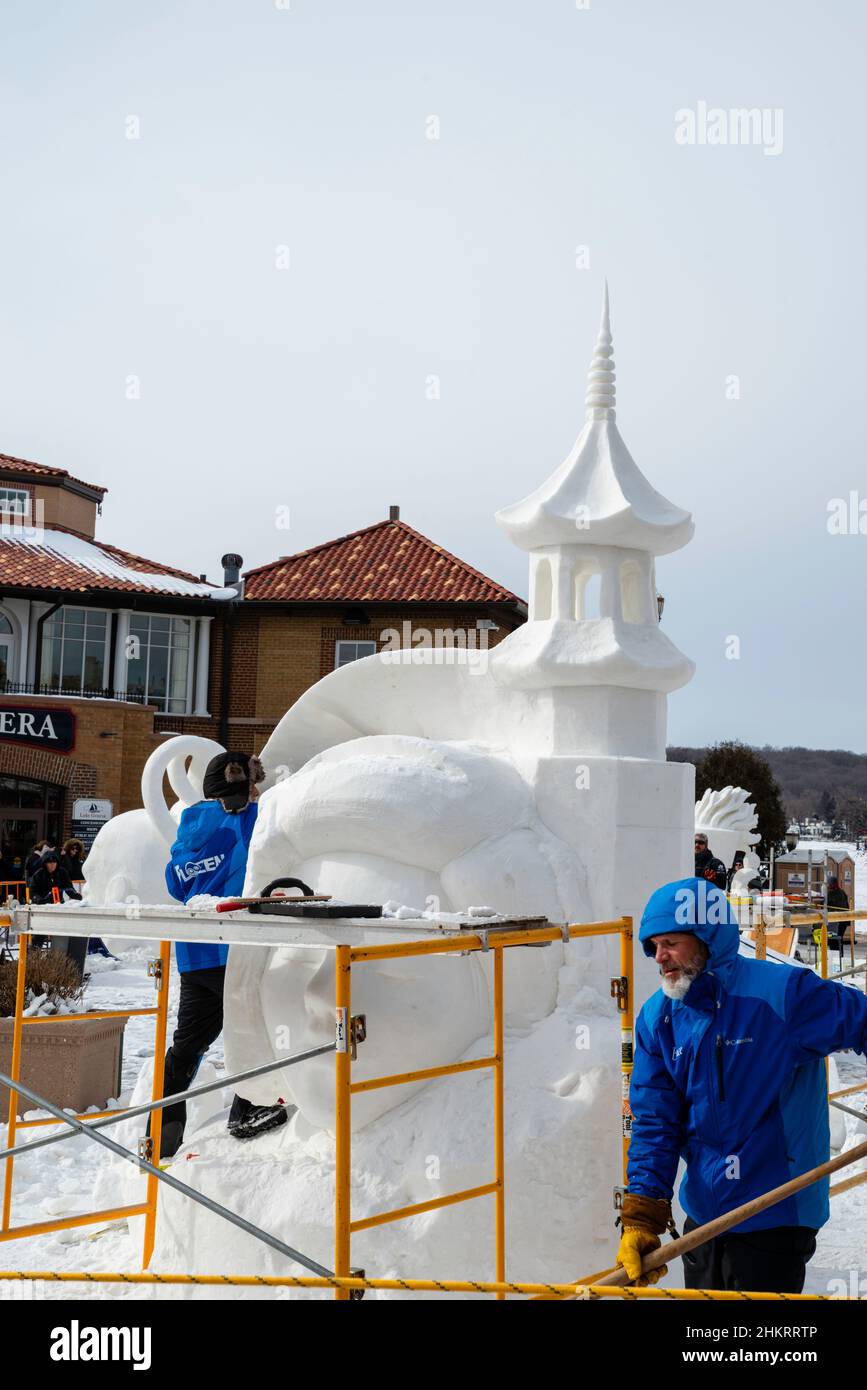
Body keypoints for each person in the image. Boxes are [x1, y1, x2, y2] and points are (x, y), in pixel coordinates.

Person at [616, 876, 867, 1294]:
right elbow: (655, 1122)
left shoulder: (783, 995)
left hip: (776, 1212)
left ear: (705, 937)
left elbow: (861, 1020)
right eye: (654, 946)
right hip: (704, 1216)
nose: (659, 957)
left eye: (671, 943)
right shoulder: (657, 1019)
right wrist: (643, 1214)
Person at [158, 749, 287, 1159]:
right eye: (251, 785)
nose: (256, 791)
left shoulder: (188, 826)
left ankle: (162, 1131)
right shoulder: (246, 821)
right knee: (257, 1024)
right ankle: (248, 1108)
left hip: (194, 955)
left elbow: (176, 885)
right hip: (233, 951)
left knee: (188, 1045)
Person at [28, 849, 87, 978]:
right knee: (38, 937)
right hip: (44, 910)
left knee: (62, 937)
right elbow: (33, 892)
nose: (52, 865)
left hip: (60, 910)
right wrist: (39, 899)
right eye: (49, 863)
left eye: (54, 862)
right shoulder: (39, 875)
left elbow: (69, 887)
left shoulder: (62, 872)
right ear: (45, 864)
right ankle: (31, 961)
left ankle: (62, 963)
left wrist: (75, 895)